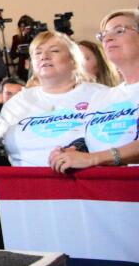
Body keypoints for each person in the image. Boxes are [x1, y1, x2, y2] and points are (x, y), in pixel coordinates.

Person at [0, 31, 105, 166]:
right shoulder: (18, 102)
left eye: (54, 51)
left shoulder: (101, 95)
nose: (44, 56)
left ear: (73, 60)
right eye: (37, 53)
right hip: (27, 181)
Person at [51, 9, 139, 171]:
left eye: (119, 31)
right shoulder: (102, 97)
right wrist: (72, 151)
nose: (108, 38)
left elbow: (95, 156)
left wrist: (94, 159)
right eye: (103, 35)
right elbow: (92, 140)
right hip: (107, 191)